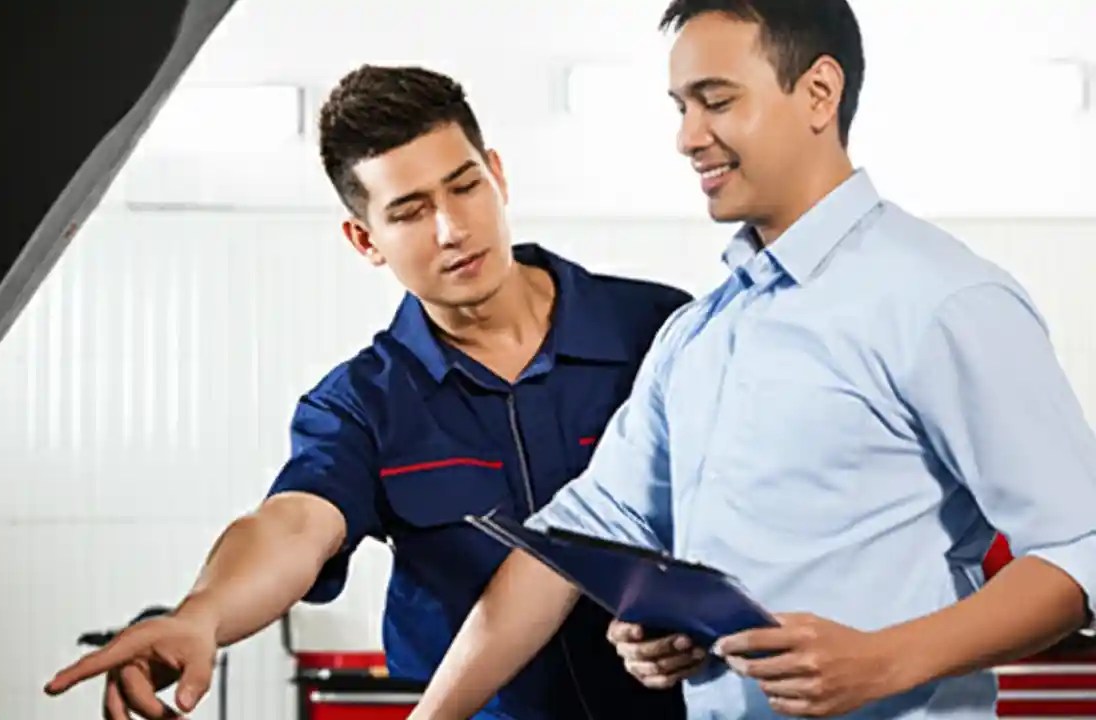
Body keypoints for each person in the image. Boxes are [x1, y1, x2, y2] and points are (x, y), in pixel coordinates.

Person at [408, 1, 1096, 719]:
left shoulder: (943, 299)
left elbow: (1080, 550)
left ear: (819, 94)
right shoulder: (696, 335)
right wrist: (663, 629)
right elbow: (580, 534)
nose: (686, 137)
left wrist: (882, 659)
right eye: (680, 107)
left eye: (717, 101)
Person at [42, 64, 693, 720]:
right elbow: (294, 524)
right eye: (409, 212)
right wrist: (202, 614)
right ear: (365, 239)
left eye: (465, 187)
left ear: (497, 175)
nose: (451, 229)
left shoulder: (658, 332)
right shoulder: (363, 405)